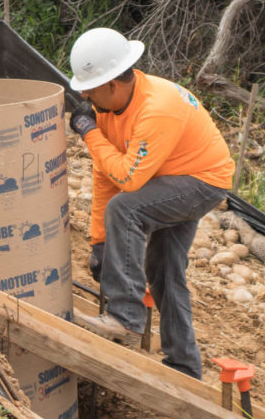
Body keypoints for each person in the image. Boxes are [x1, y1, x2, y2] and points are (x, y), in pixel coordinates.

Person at [68, 27, 234, 380]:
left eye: (90, 87)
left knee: (126, 208)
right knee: (164, 270)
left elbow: (128, 182)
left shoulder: (156, 109)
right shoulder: (108, 108)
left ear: (114, 83)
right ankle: (185, 366)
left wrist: (89, 133)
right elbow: (105, 175)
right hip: (170, 177)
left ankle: (126, 318)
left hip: (203, 180)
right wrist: (100, 242)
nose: (84, 95)